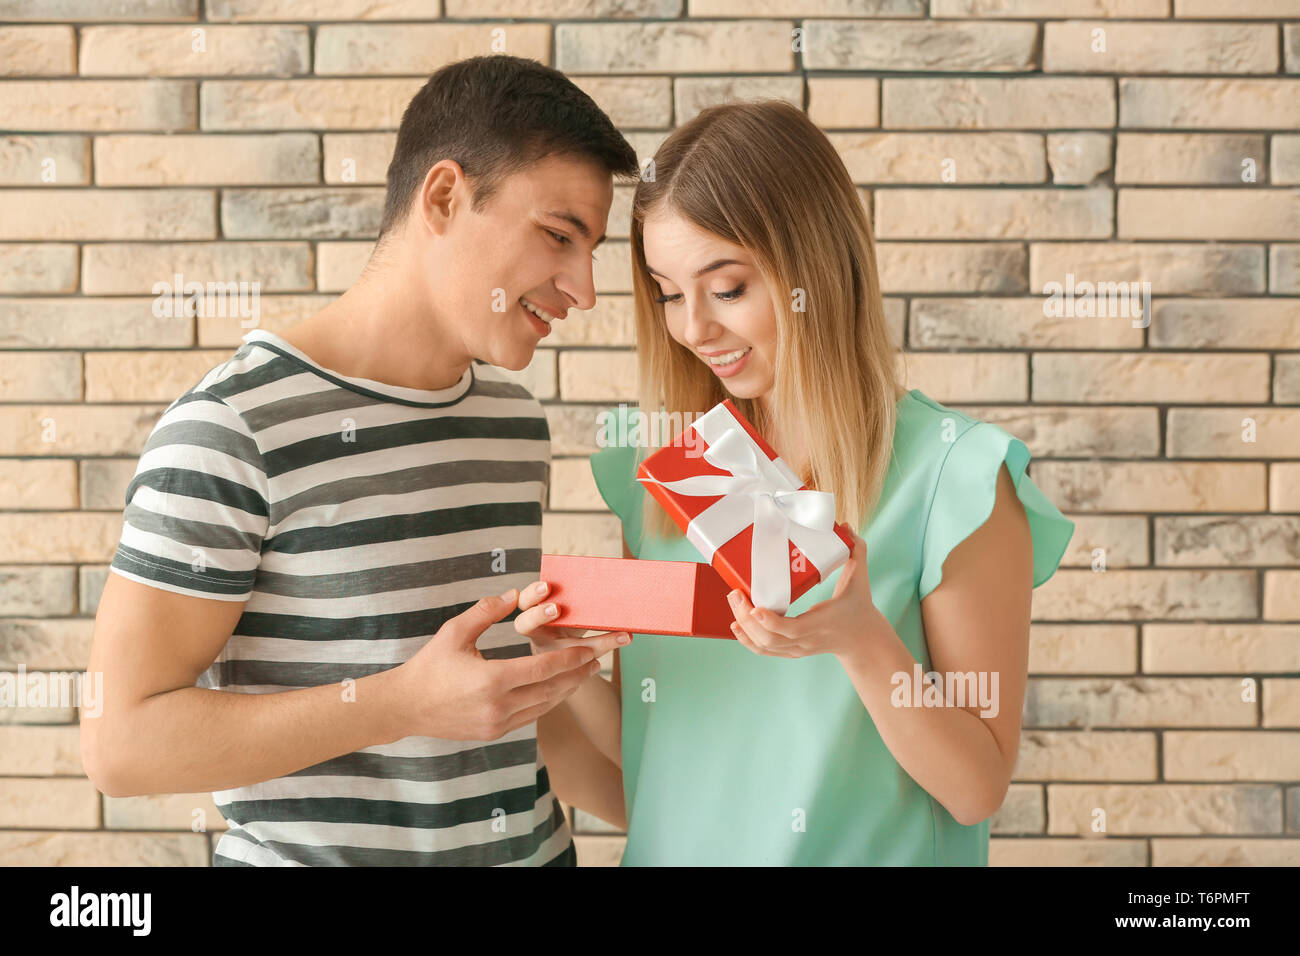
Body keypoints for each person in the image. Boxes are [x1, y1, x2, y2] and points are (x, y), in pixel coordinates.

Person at [80, 55, 640, 866]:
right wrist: (397, 703)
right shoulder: (232, 427)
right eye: (559, 237)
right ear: (444, 197)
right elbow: (122, 743)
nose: (583, 290)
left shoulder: (511, 424)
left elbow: (497, 715)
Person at [514, 99, 1075, 865]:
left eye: (729, 287)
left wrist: (862, 641)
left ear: (815, 265)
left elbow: (975, 788)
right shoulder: (671, 482)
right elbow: (660, 761)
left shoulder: (955, 479)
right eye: (670, 293)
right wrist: (570, 667)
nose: (693, 329)